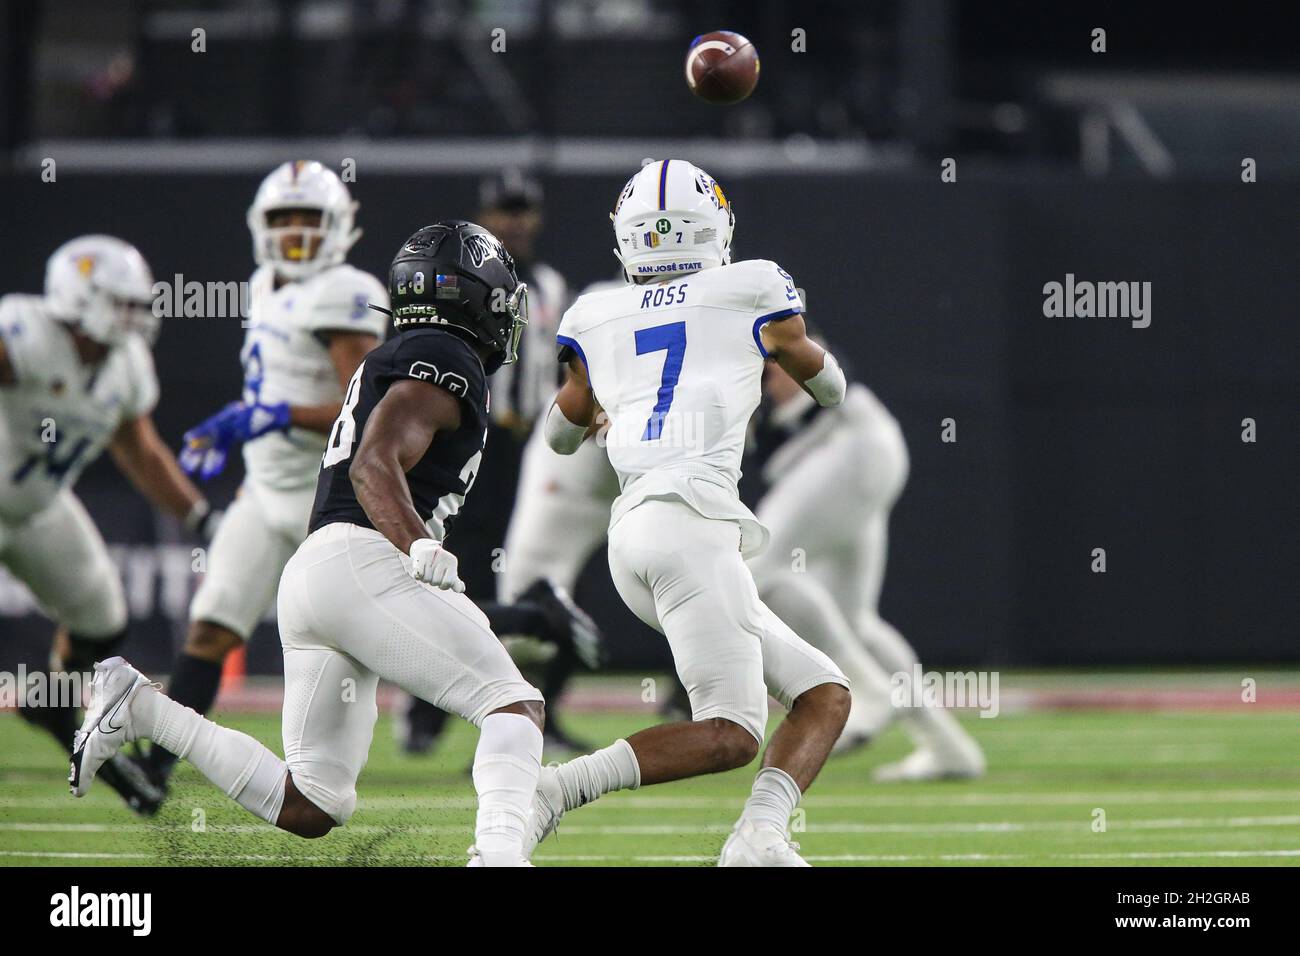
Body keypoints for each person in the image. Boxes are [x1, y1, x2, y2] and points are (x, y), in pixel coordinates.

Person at [72, 221, 546, 867]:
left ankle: (144, 711)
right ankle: (498, 856)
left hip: (320, 573)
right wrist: (417, 546)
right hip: (366, 557)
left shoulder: (404, 347)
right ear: (471, 296)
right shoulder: (445, 355)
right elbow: (373, 464)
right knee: (513, 707)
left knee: (312, 804)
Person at [527, 159, 853, 866]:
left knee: (823, 694)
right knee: (731, 733)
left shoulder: (595, 310)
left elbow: (557, 433)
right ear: (717, 230)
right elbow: (830, 389)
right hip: (690, 530)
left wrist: (616, 394)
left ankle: (758, 838)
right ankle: (551, 790)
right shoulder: (751, 286)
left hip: (637, 534)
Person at [2, 235, 219, 814]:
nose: (131, 317)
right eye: (117, 302)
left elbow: (140, 452)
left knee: (101, 618)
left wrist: (200, 515)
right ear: (76, 297)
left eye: (135, 305)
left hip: (38, 505)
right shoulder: (23, 334)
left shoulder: (125, 365)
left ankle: (53, 706)